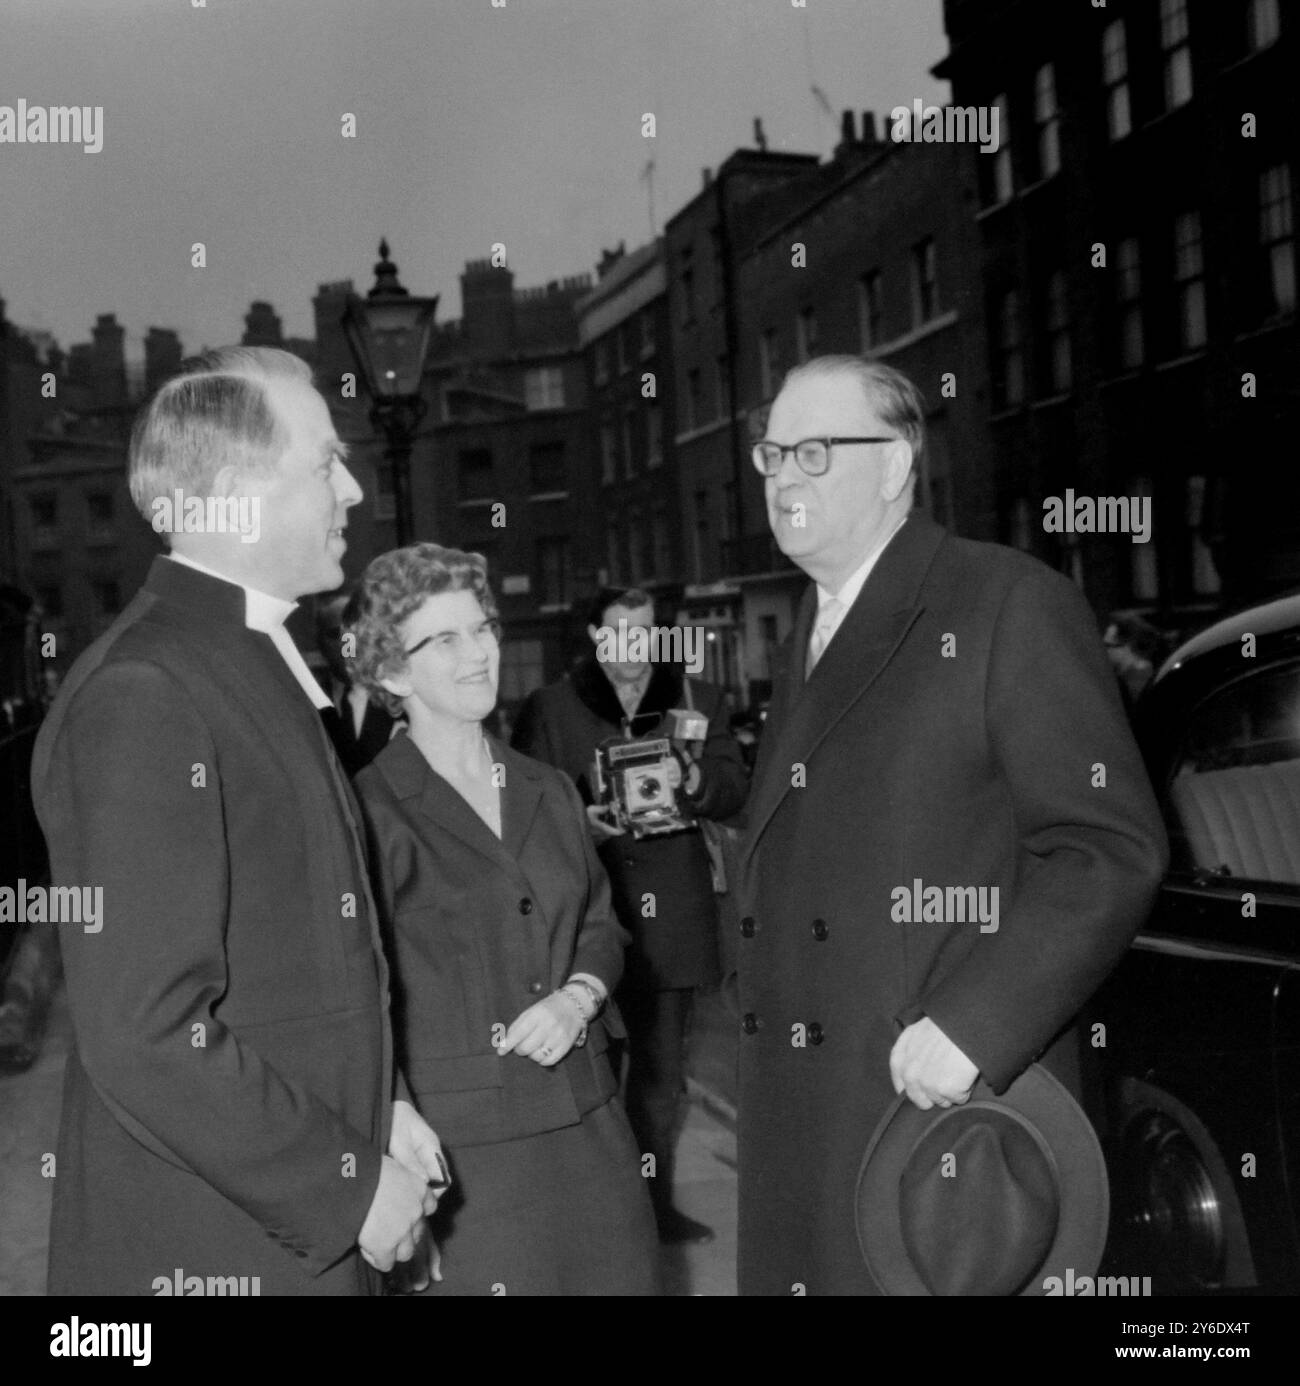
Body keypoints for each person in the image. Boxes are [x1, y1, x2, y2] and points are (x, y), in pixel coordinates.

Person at [736, 355, 1168, 1295]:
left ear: (895, 466)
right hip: (810, 1118)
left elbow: (1108, 846)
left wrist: (974, 1025)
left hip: (928, 1119)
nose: (782, 479)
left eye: (813, 452)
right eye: (772, 454)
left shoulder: (1006, 601)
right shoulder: (814, 626)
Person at [31, 347, 443, 1295]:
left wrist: (380, 1102)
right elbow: (147, 1033)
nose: (352, 489)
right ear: (234, 492)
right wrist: (344, 1190)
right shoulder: (148, 690)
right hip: (215, 1245)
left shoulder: (244, 656)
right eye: (324, 463)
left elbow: (306, 959)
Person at [351, 544, 659, 1295]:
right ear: (393, 672)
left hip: (592, 1132)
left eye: (482, 628)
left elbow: (601, 925)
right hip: (464, 1161)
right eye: (445, 639)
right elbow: (356, 993)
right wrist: (393, 1154)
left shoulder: (547, 787)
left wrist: (578, 996)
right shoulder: (365, 811)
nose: (480, 652)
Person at [512, 587, 748, 1244]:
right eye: (617, 633)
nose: (631, 648)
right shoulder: (552, 708)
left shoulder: (697, 700)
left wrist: (696, 784)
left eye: (643, 634)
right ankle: (589, 1209)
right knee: (585, 1070)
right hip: (586, 917)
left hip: (670, 922)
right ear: (593, 636)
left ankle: (653, 1206)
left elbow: (737, 789)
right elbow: (520, 808)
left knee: (661, 1075)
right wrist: (576, 825)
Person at [316, 585, 400, 776]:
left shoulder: (401, 697)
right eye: (337, 634)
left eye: (355, 632)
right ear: (319, 643)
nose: (348, 646)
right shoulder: (308, 702)